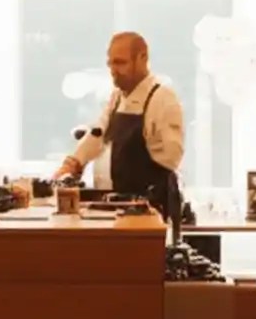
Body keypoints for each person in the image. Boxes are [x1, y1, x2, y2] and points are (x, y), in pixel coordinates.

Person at [55, 32, 185, 208]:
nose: (113, 70)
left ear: (142, 58)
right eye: (111, 63)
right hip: (119, 206)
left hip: (149, 209)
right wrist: (72, 164)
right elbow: (98, 134)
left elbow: (172, 158)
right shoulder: (117, 97)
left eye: (121, 63)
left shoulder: (162, 98)